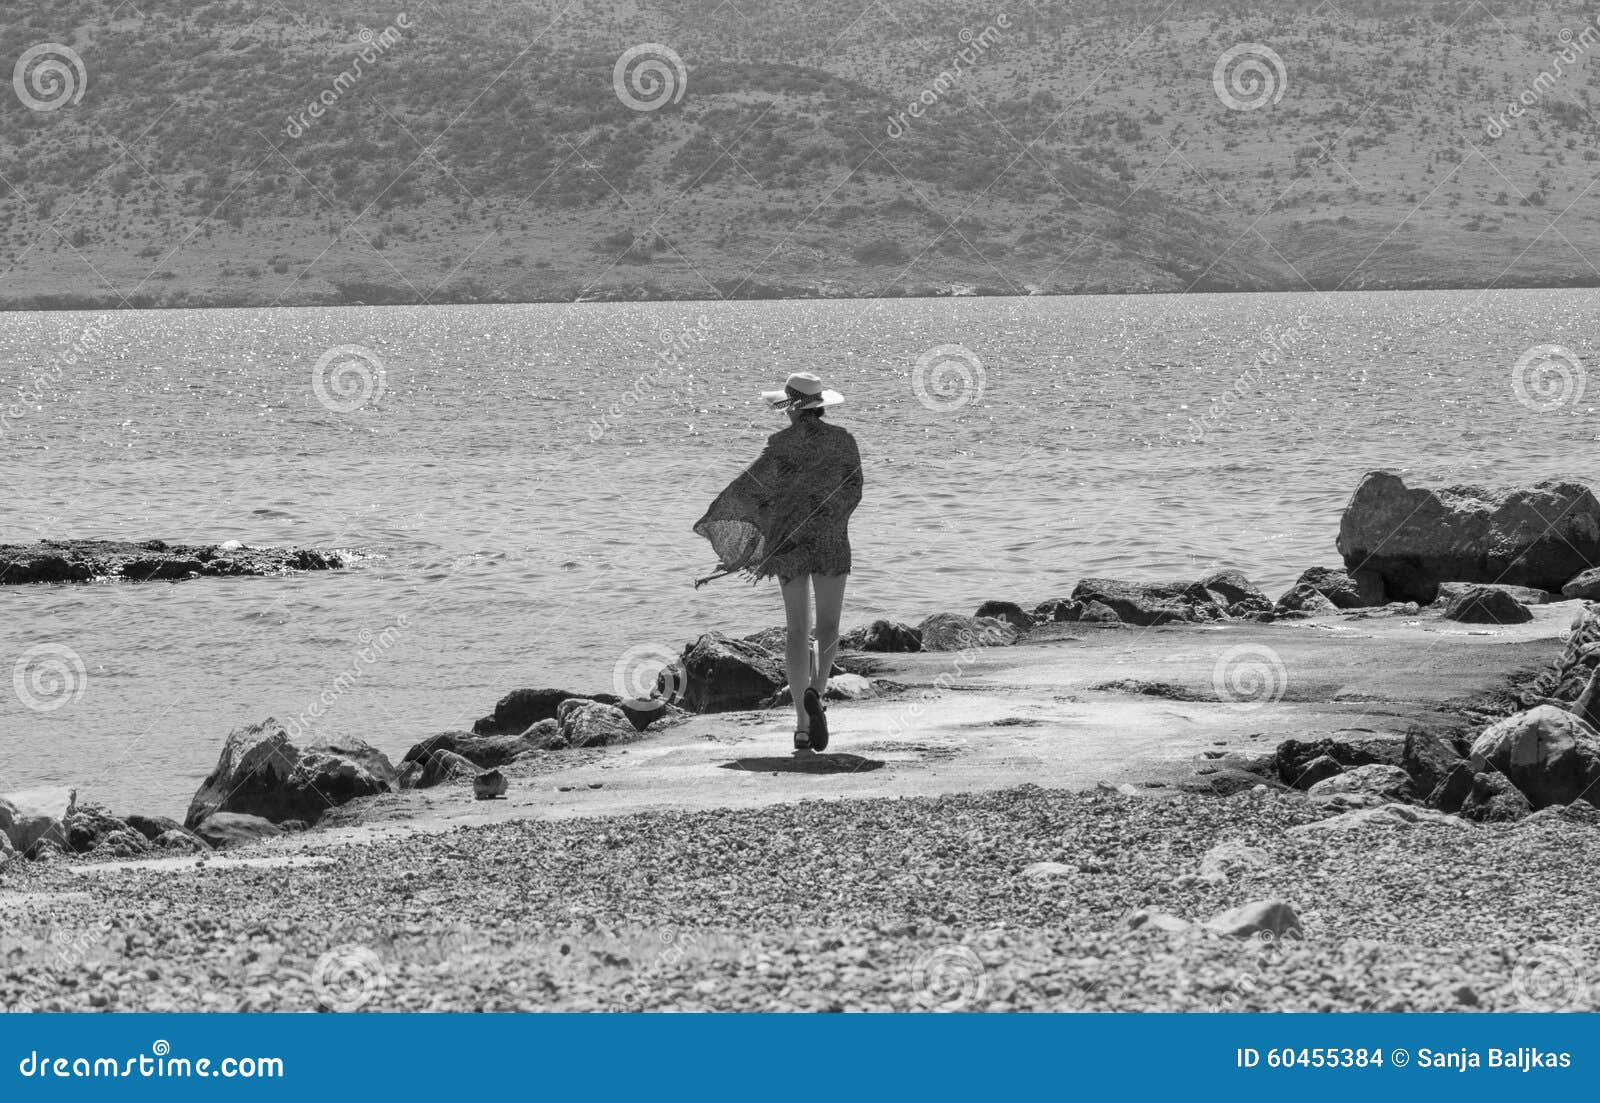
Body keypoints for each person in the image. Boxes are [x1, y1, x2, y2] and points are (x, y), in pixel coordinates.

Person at [693, 372, 863, 752]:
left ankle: (803, 725)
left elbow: (749, 494)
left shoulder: (779, 445)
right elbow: (853, 490)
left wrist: (728, 530)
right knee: (830, 626)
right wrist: (827, 520)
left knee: (797, 631)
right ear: (819, 405)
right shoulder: (844, 441)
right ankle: (816, 696)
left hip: (788, 545)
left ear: (790, 407)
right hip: (832, 541)